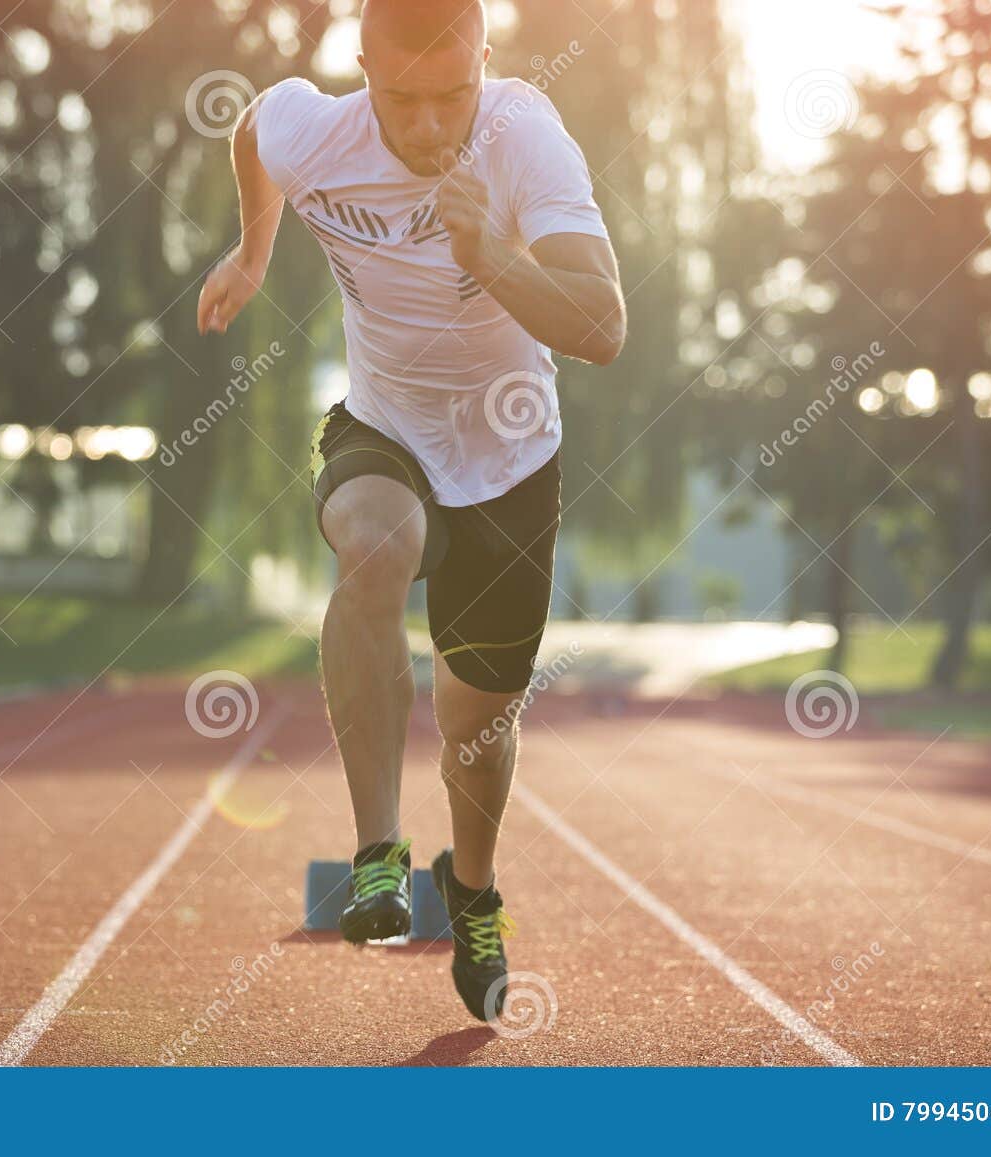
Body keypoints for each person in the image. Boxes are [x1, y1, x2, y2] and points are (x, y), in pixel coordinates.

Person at [197, 0, 623, 1023]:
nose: (430, 126)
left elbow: (604, 324)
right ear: (361, 68)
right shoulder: (318, 131)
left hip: (512, 455)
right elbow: (253, 128)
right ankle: (378, 853)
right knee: (375, 544)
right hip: (380, 425)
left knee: (476, 725)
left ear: (487, 62)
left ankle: (469, 887)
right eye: (401, 99)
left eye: (453, 96)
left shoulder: (525, 135)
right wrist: (253, 251)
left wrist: (496, 259)